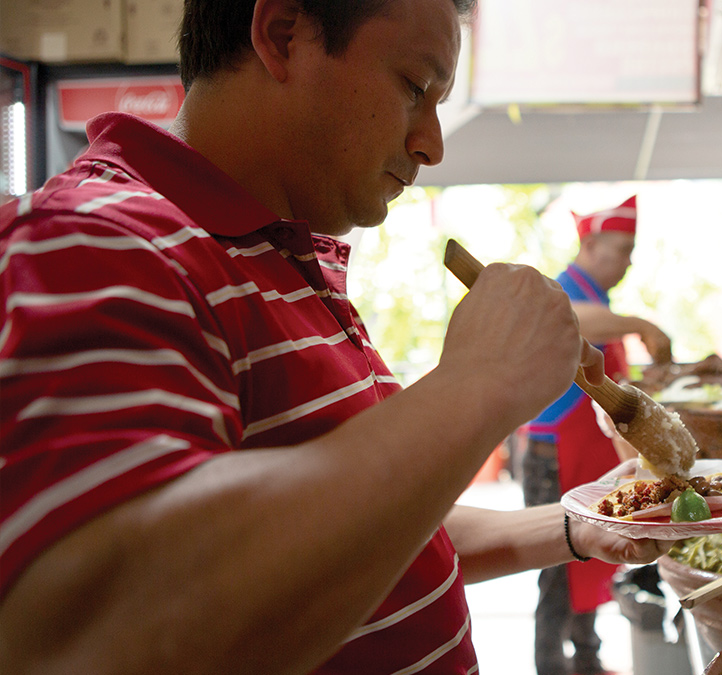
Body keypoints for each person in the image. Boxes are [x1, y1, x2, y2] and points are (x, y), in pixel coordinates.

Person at [0, 1, 674, 673]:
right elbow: (99, 630)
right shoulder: (94, 238)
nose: (432, 145)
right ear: (283, 35)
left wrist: (584, 525)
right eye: (415, 87)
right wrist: (479, 383)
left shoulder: (284, 257)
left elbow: (363, 533)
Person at [522, 195, 672, 675]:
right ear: (590, 244)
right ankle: (550, 666)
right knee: (555, 568)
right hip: (555, 449)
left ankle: (587, 660)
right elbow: (568, 316)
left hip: (583, 446)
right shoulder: (566, 290)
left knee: (586, 556)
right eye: (622, 248)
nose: (629, 260)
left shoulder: (598, 297)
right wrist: (641, 324)